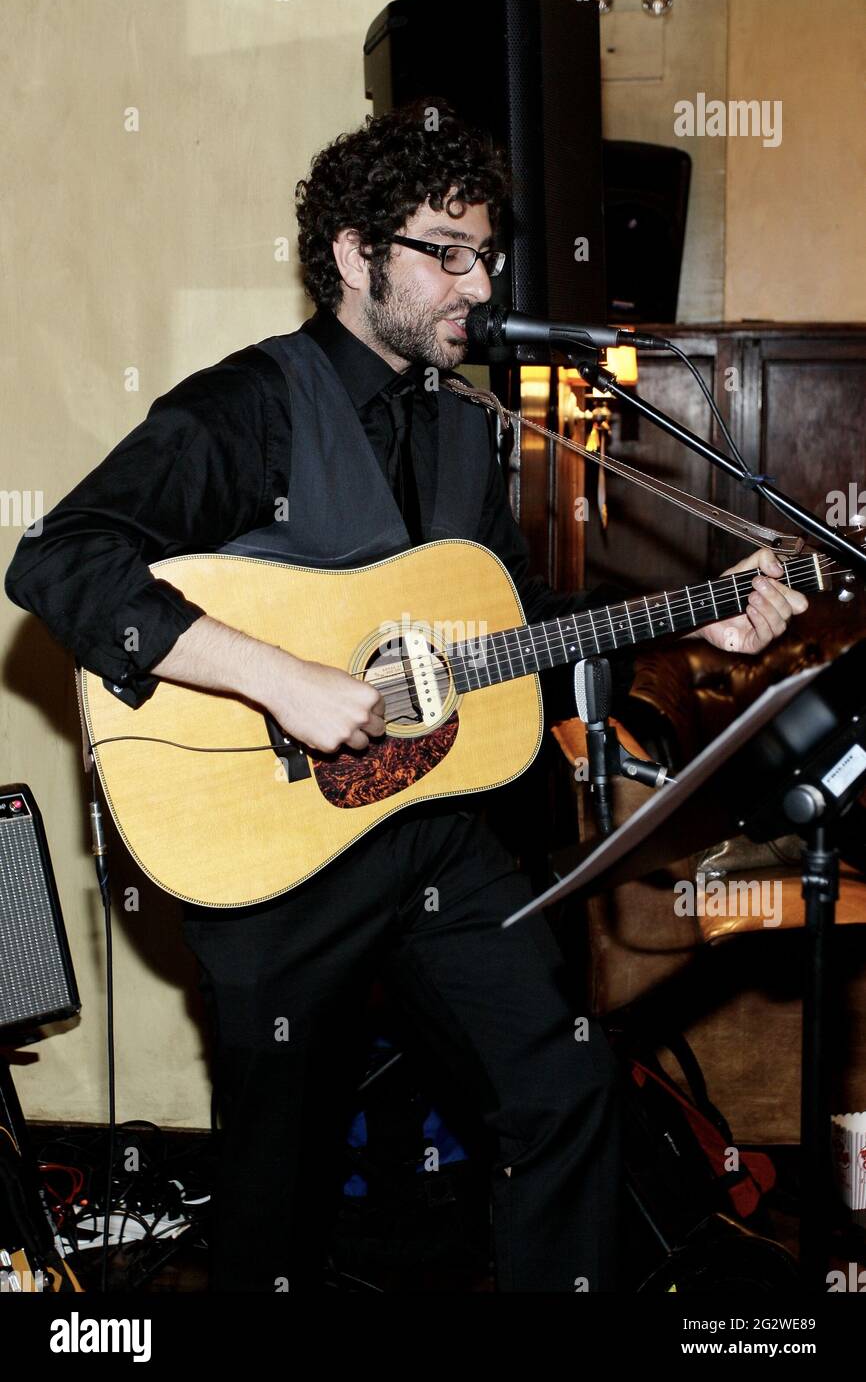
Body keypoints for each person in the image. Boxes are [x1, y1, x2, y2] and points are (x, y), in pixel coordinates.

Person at [5, 103, 808, 1292]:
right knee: (277, 1196)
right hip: (266, 846)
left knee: (564, 1084)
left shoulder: (463, 426)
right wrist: (283, 679)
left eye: (484, 254)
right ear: (350, 253)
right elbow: (58, 559)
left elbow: (519, 633)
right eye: (444, 251)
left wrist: (700, 610)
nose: (473, 283)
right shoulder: (249, 407)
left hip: (431, 831)